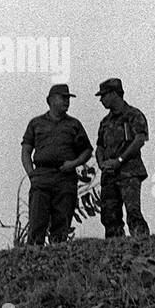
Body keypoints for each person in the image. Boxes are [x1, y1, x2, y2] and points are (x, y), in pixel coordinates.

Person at [20, 84, 93, 244]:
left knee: (62, 223)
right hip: (42, 176)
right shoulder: (36, 123)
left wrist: (73, 163)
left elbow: (87, 150)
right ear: (51, 100)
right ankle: (33, 257)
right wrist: (32, 174)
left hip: (65, 178)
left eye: (68, 98)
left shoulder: (74, 125)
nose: (67, 101)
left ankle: (58, 258)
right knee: (37, 222)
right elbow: (26, 151)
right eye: (63, 97)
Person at [94, 77, 150, 237]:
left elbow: (140, 140)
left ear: (114, 94)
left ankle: (142, 246)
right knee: (109, 216)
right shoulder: (105, 122)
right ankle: (115, 252)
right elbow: (99, 146)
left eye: (104, 95)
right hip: (109, 175)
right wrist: (102, 164)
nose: (101, 100)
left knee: (133, 212)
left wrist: (119, 161)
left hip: (129, 172)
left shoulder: (133, 115)